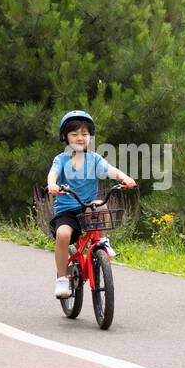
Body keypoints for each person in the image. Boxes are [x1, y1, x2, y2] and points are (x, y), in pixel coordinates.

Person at [46, 110, 136, 299]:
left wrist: (125, 178)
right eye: (74, 134)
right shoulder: (61, 159)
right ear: (65, 136)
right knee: (63, 234)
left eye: (84, 134)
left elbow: (111, 171)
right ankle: (62, 279)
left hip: (87, 208)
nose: (80, 138)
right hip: (67, 211)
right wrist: (52, 184)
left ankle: (102, 242)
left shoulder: (94, 159)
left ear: (90, 136)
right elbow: (53, 173)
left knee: (100, 204)